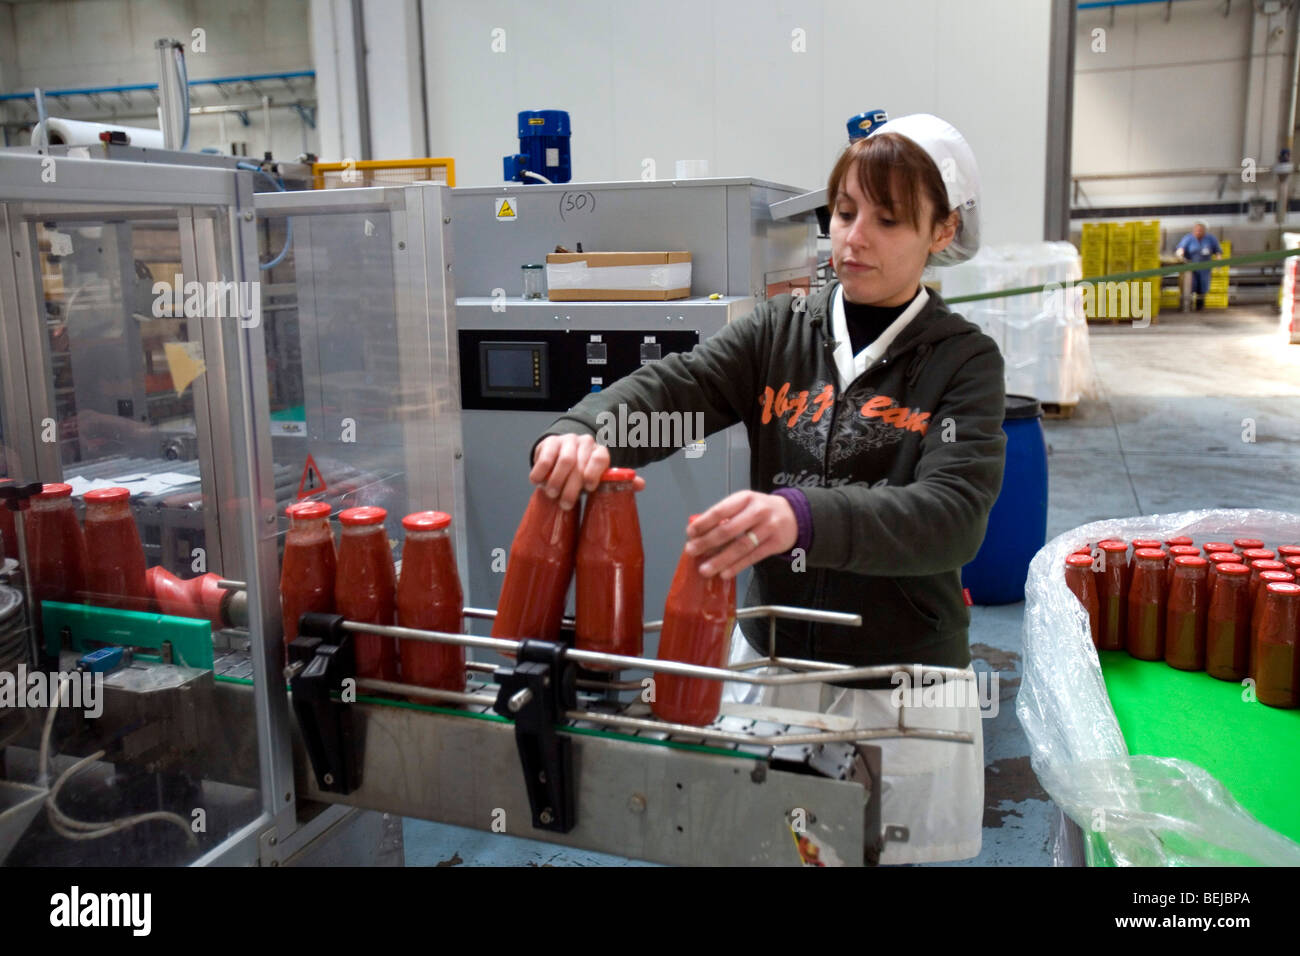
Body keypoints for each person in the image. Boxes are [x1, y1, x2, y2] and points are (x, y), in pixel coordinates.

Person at [529, 114, 1007, 864]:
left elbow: (951, 517)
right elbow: (679, 391)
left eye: (888, 220)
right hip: (778, 660)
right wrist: (589, 429)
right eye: (845, 212)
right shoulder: (782, 332)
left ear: (941, 232)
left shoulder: (962, 364)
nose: (854, 238)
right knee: (774, 847)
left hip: (898, 673)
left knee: (887, 850)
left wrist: (803, 516)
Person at [1174, 219, 1222, 310]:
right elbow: (1181, 248)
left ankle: (1200, 306)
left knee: (1203, 287)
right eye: (1196, 229)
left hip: (1205, 268)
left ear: (1204, 230)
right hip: (1191, 267)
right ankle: (1188, 305)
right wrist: (1180, 254)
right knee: (1191, 286)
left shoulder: (1211, 239)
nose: (1198, 231)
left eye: (1200, 230)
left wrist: (1219, 262)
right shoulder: (1188, 238)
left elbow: (1218, 251)